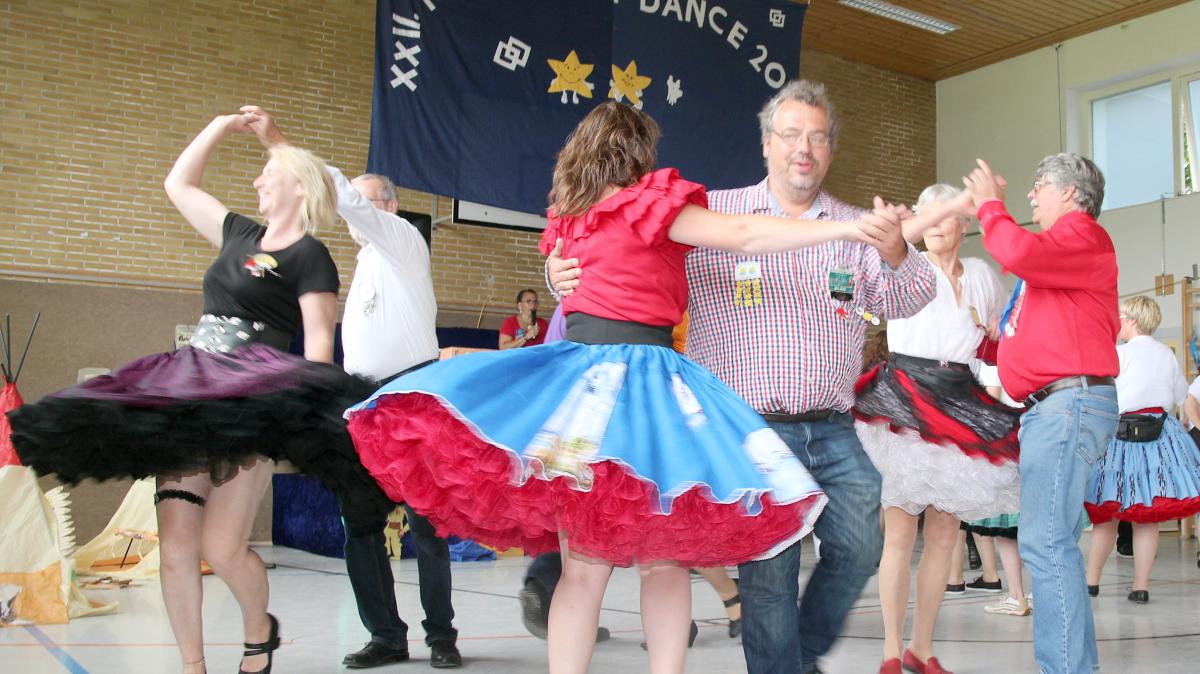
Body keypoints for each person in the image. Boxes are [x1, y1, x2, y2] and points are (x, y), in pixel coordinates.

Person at [348, 101, 955, 674]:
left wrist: (554, 275)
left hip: (581, 393)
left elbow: (573, 276)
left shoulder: (571, 214)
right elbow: (746, 236)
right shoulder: (652, 202)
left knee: (581, 571)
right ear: (638, 152)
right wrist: (843, 232)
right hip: (649, 387)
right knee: (662, 565)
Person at [549, 80, 940, 674]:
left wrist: (890, 248)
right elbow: (740, 237)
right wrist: (558, 276)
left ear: (831, 148)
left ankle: (796, 655)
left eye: (815, 137)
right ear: (766, 144)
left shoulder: (855, 225)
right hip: (739, 419)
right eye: (790, 135)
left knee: (860, 543)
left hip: (825, 419)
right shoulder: (706, 212)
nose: (803, 148)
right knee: (739, 569)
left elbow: (909, 295)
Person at [8, 111, 389, 674]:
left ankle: (259, 630)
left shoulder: (312, 257)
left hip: (251, 402)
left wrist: (299, 422)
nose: (257, 182)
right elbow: (178, 184)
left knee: (222, 548)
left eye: (267, 173)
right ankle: (193, 666)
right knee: (178, 543)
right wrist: (218, 125)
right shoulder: (236, 233)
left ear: (296, 185)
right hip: (191, 391)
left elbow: (315, 351)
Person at [237, 106, 463, 669]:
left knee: (428, 524)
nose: (351, 215)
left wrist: (278, 140)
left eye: (364, 204)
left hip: (412, 393)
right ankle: (386, 635)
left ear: (385, 206)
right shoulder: (364, 263)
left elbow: (343, 198)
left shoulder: (404, 241)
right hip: (363, 400)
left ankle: (442, 637)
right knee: (359, 524)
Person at [961, 154, 1119, 674]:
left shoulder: (1082, 235)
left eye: (1039, 185)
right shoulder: (1061, 257)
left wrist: (989, 206)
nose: (1031, 196)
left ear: (1071, 194)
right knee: (1050, 542)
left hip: (1067, 405)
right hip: (1057, 406)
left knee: (1046, 543)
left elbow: (1017, 250)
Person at [853, 183, 1020, 674]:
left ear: (964, 226)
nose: (939, 224)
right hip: (905, 394)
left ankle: (921, 648)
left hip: (959, 394)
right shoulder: (908, 263)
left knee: (945, 536)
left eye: (949, 216)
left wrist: (995, 334)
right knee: (900, 534)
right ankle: (888, 648)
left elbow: (1001, 329)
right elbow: (898, 236)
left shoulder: (984, 275)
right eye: (930, 215)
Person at [1084, 295, 1200, 603]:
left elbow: (1101, 392)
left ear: (1132, 320)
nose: (1116, 322)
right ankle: (1141, 586)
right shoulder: (1167, 354)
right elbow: (1179, 395)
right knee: (1147, 515)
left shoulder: (1119, 354)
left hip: (1119, 436)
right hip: (1160, 437)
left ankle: (1091, 583)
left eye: (1120, 317)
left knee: (1106, 514)